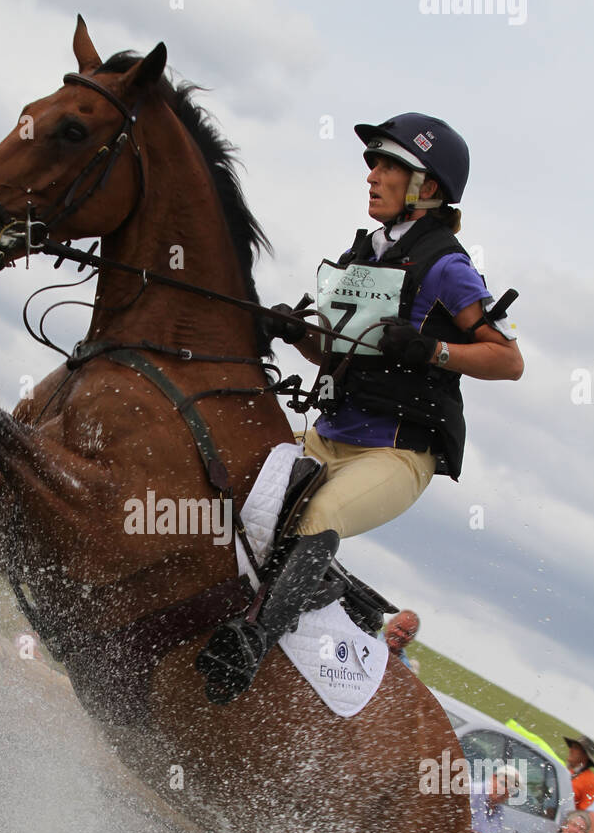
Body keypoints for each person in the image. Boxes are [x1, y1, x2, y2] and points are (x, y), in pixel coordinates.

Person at [198, 113, 522, 703]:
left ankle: (251, 644)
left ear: (428, 187)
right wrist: (294, 332)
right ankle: (334, 589)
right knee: (232, 477)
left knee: (316, 517)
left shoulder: (449, 266)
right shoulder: (362, 253)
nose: (372, 175)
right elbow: (333, 355)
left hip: (396, 456)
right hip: (329, 433)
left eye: (389, 165)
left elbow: (509, 359)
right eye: (373, 163)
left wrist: (434, 349)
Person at [564, 732, 594, 810]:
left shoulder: (591, 782)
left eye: (576, 748)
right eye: (571, 747)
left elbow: (585, 814)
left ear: (585, 756)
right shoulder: (566, 771)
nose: (570, 750)